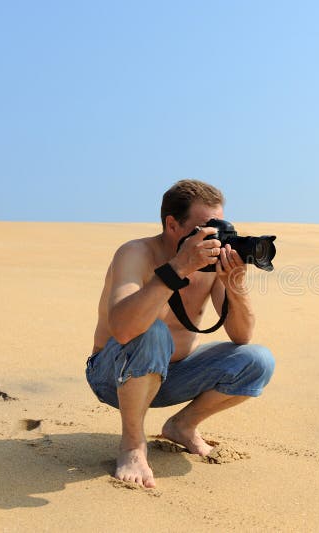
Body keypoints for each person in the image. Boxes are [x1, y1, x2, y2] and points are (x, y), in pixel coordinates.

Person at [85, 179, 275, 488]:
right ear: (172, 225)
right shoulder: (135, 253)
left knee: (258, 360)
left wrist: (235, 285)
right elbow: (123, 329)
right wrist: (178, 268)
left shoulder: (211, 265)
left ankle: (182, 426)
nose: (214, 237)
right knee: (152, 331)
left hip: (173, 377)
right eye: (206, 228)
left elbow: (242, 336)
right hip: (112, 376)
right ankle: (133, 445)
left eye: (220, 226)